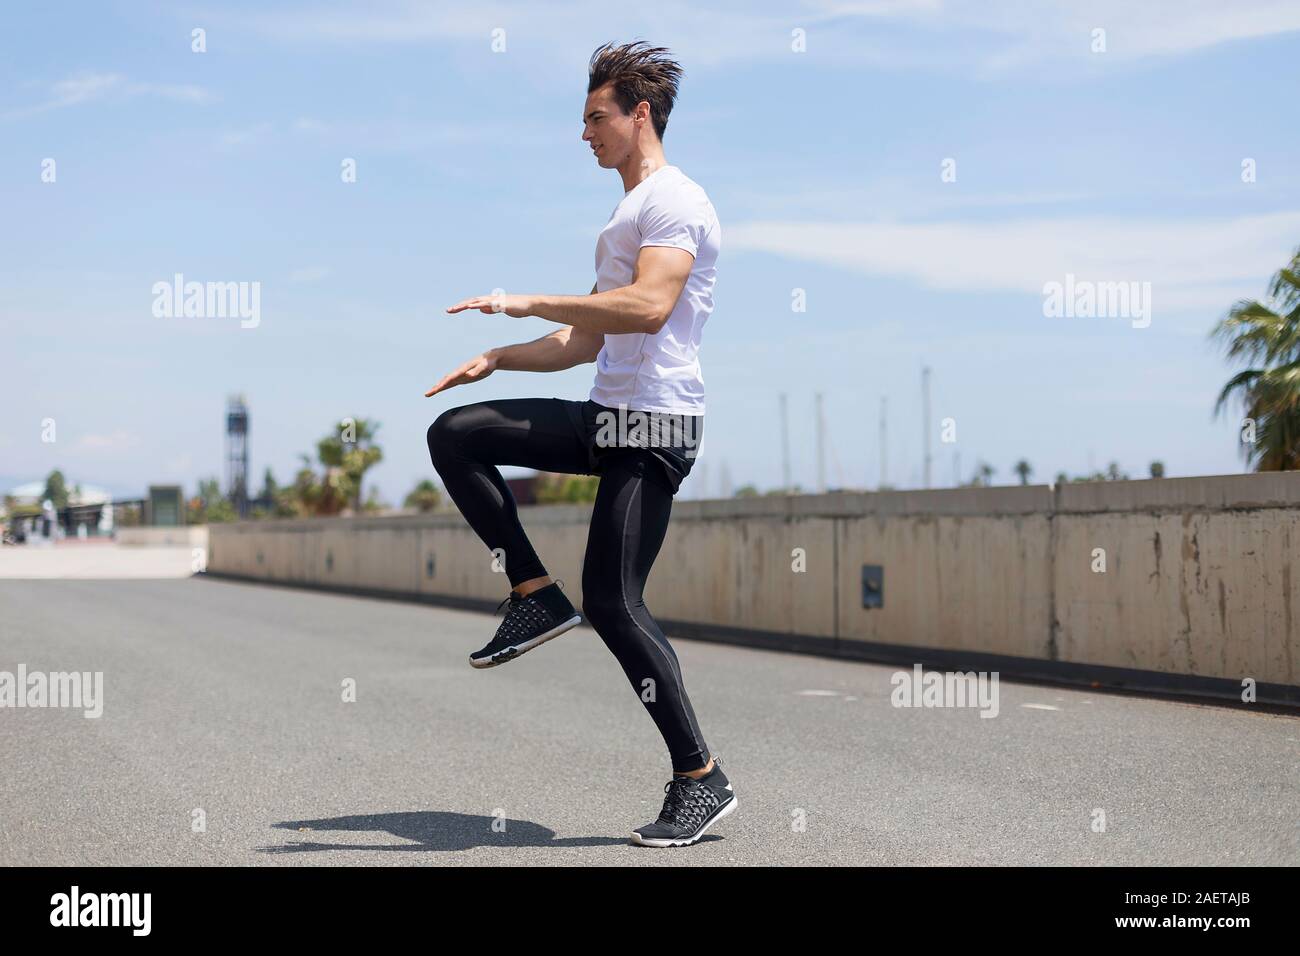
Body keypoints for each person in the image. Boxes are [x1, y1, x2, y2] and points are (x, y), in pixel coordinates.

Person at [425, 41, 735, 848]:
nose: (586, 133)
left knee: (616, 602)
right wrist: (499, 356)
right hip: (609, 414)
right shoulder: (628, 212)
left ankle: (700, 779)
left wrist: (523, 300)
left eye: (597, 117)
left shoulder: (676, 201)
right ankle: (533, 594)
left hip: (655, 425)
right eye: (584, 119)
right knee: (457, 433)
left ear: (640, 115)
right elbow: (585, 340)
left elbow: (647, 309)